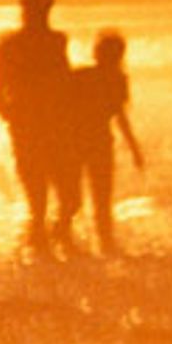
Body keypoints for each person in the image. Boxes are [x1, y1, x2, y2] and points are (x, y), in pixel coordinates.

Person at [0, 0, 76, 257]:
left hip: (55, 118)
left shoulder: (57, 41)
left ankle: (56, 230)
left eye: (44, 10)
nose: (40, 15)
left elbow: (64, 77)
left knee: (69, 192)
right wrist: (3, 106)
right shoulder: (9, 44)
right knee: (35, 183)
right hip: (26, 118)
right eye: (36, 10)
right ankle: (40, 235)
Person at [65, 30, 146, 256]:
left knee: (89, 200)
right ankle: (95, 242)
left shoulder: (84, 76)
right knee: (90, 200)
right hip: (88, 142)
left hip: (88, 143)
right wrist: (134, 149)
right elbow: (120, 116)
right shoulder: (104, 78)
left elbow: (119, 116)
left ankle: (99, 243)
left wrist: (134, 149)